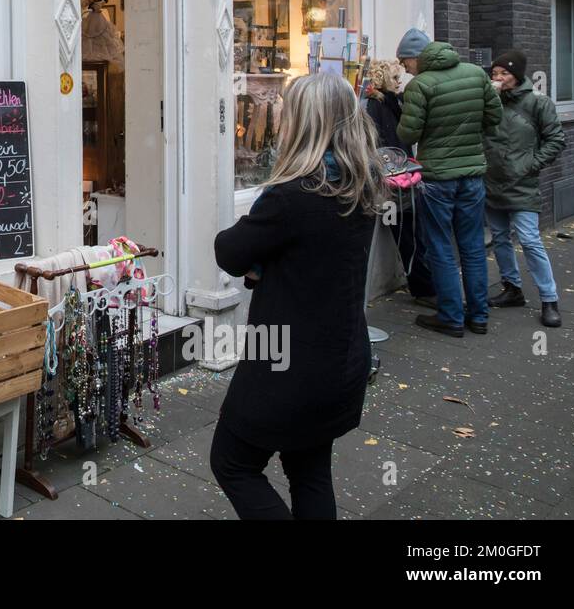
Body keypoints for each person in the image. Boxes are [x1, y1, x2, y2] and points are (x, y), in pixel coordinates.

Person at [210, 72, 384, 519]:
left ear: (305, 122)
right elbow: (313, 258)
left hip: (286, 367)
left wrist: (257, 256)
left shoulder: (291, 196)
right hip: (340, 360)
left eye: (288, 110)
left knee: (233, 462)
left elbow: (229, 251)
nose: (281, 117)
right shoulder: (360, 185)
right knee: (309, 469)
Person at [395, 28, 501, 338]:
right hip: (472, 176)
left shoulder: (421, 86)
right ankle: (479, 316)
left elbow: (407, 136)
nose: (404, 69)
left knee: (440, 248)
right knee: (472, 247)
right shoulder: (475, 74)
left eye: (405, 63)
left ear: (417, 57)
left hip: (438, 179)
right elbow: (494, 117)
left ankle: (452, 317)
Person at [483, 49, 566, 328]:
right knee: (500, 238)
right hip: (491, 181)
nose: (498, 78)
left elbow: (556, 140)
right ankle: (512, 288)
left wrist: (530, 166)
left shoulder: (538, 103)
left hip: (522, 184)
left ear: (517, 76)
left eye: (504, 73)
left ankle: (549, 298)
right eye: (494, 73)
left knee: (530, 240)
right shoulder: (489, 100)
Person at [362, 58, 434, 305]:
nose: (399, 81)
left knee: (414, 233)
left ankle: (424, 284)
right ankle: (424, 288)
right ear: (382, 80)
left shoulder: (392, 102)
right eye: (394, 78)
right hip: (395, 180)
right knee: (410, 234)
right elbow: (382, 146)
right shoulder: (377, 105)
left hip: (403, 176)